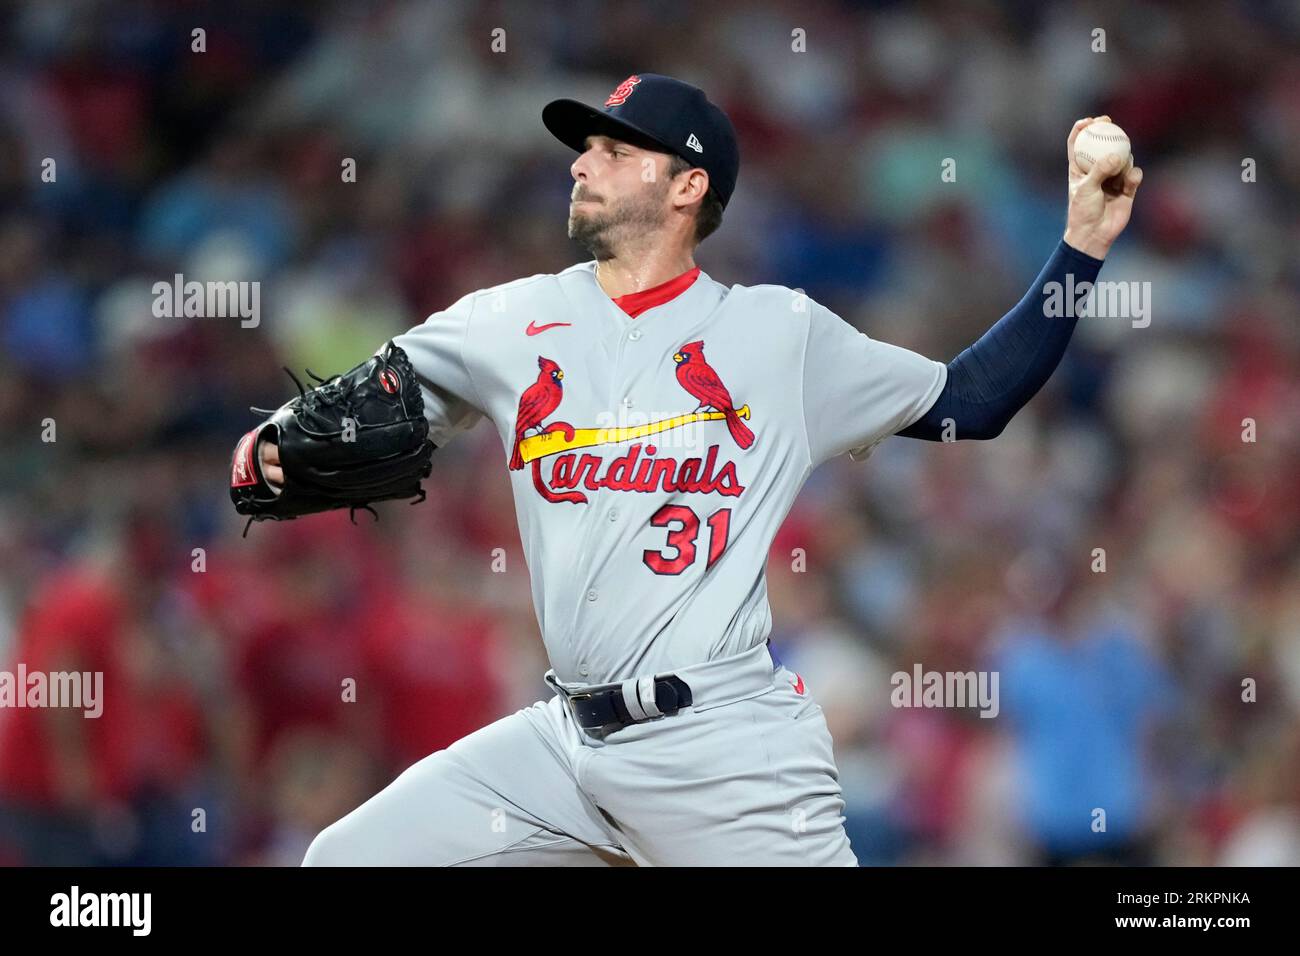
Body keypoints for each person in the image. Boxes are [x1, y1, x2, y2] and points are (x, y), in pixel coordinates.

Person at [254, 73, 1141, 865]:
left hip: (723, 749)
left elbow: (972, 401)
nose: (580, 164)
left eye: (612, 149)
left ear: (687, 186)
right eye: (583, 148)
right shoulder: (506, 320)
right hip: (565, 744)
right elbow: (351, 406)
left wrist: (1083, 242)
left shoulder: (779, 335)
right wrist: (270, 450)